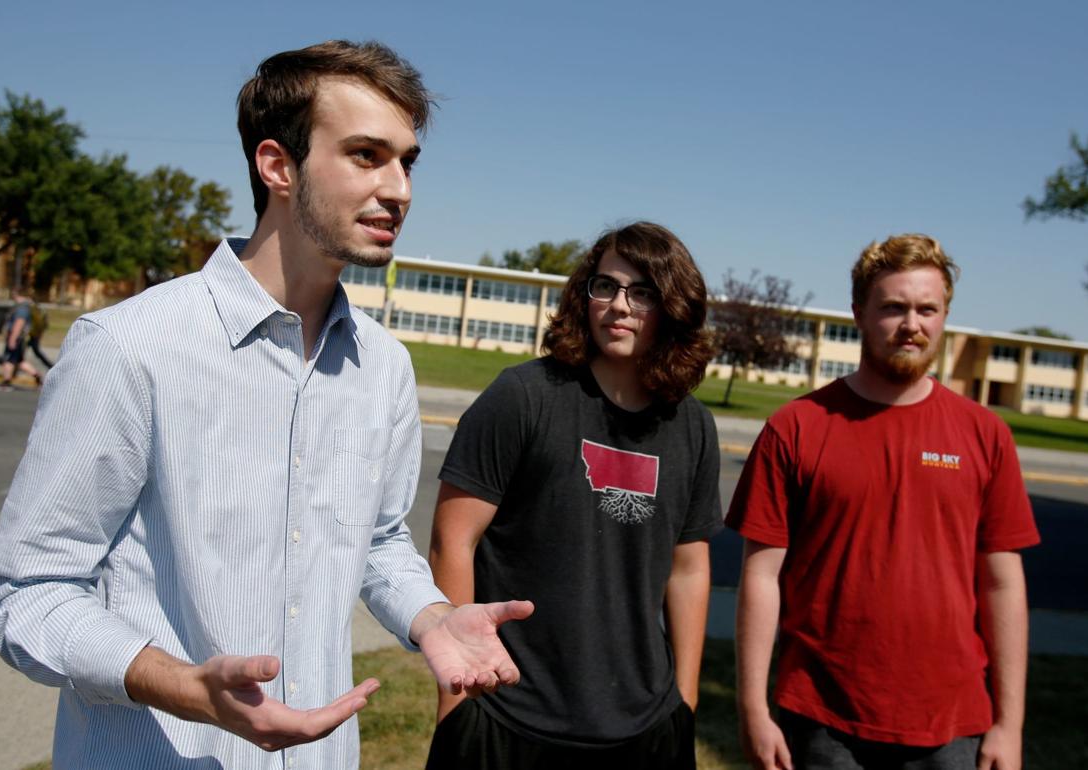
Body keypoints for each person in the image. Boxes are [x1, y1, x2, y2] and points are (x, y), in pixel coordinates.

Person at [0, 40, 532, 769]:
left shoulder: (384, 367)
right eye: (366, 155)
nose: (399, 189)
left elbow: (377, 543)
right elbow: (25, 593)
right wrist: (180, 686)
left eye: (407, 160)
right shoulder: (128, 345)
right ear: (278, 167)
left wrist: (433, 619)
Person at [728, 233, 1040, 770]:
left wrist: (1009, 725)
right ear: (859, 313)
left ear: (944, 317)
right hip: (823, 716)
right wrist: (753, 707)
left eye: (927, 309)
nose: (911, 325)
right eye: (893, 307)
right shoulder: (796, 427)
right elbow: (761, 577)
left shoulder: (985, 434)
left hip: (952, 722)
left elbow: (1003, 583)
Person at [425, 221, 723, 769]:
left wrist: (686, 696)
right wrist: (457, 695)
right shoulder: (523, 397)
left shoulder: (694, 426)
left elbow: (688, 567)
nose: (618, 305)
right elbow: (452, 542)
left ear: (674, 306)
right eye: (605, 286)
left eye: (643, 292)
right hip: (508, 714)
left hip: (645, 723)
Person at [0, 288, 42, 390]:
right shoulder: (26, 307)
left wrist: (12, 338)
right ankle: (37, 376)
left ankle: (6, 382)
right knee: (19, 361)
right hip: (20, 338)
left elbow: (19, 323)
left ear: (18, 295)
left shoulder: (21, 308)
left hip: (16, 337)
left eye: (14, 294)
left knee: (8, 359)